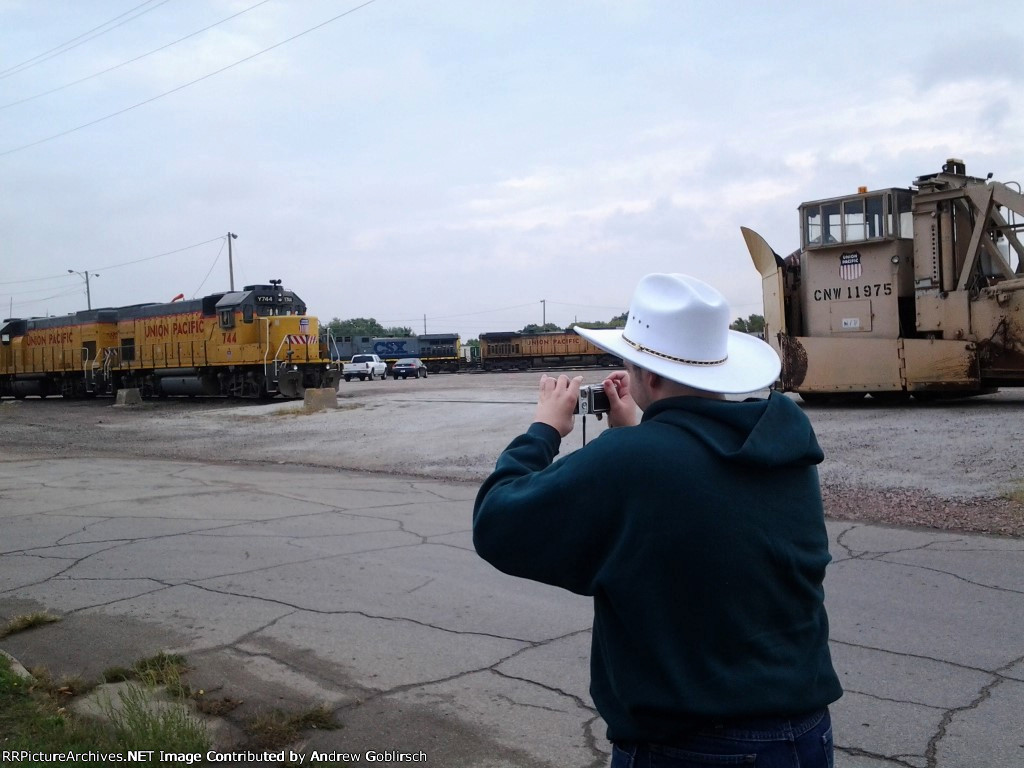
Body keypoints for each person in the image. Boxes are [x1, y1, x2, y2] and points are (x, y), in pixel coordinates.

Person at [473, 273, 842, 767]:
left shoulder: (633, 462)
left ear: (648, 375)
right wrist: (642, 432)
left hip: (693, 747)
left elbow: (498, 523)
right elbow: (702, 507)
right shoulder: (781, 446)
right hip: (805, 734)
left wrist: (543, 429)